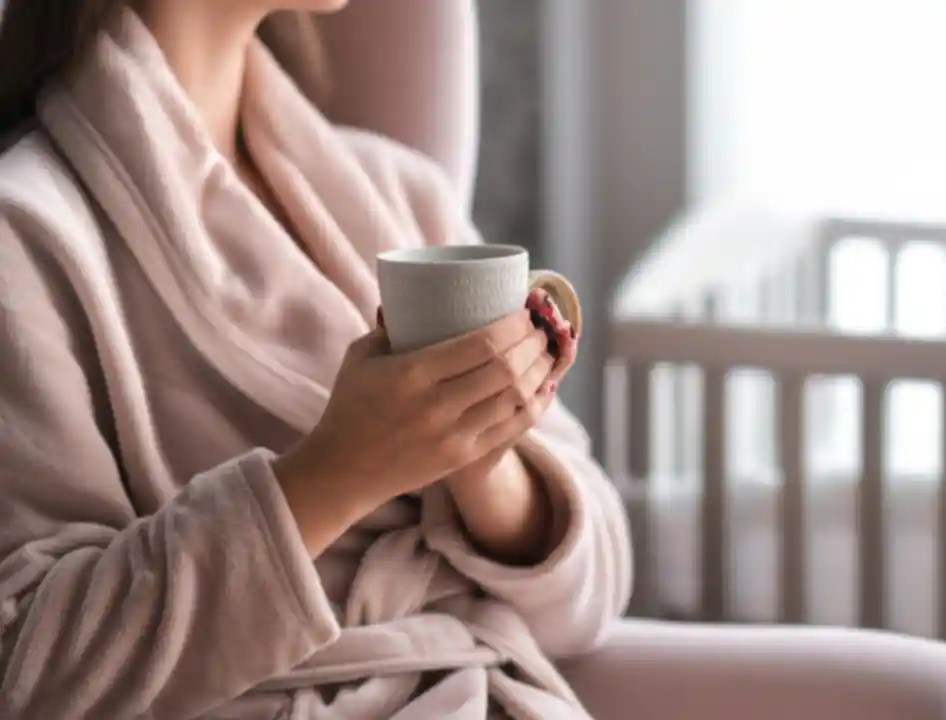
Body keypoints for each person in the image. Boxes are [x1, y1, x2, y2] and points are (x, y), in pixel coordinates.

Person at [0, 1, 630, 717]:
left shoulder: (400, 194)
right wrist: (339, 472)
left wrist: (476, 454)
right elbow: (28, 673)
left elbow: (594, 594)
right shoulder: (23, 238)